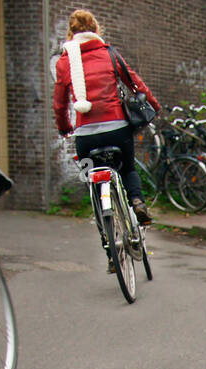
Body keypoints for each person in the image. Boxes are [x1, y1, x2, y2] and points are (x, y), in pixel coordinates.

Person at [53, 9, 159, 226]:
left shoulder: (65, 62)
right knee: (128, 169)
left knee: (90, 179)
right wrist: (154, 106)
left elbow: (60, 104)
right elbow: (135, 83)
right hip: (117, 129)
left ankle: (107, 238)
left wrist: (64, 128)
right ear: (96, 29)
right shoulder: (109, 53)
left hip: (86, 136)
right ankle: (137, 201)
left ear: (71, 33)